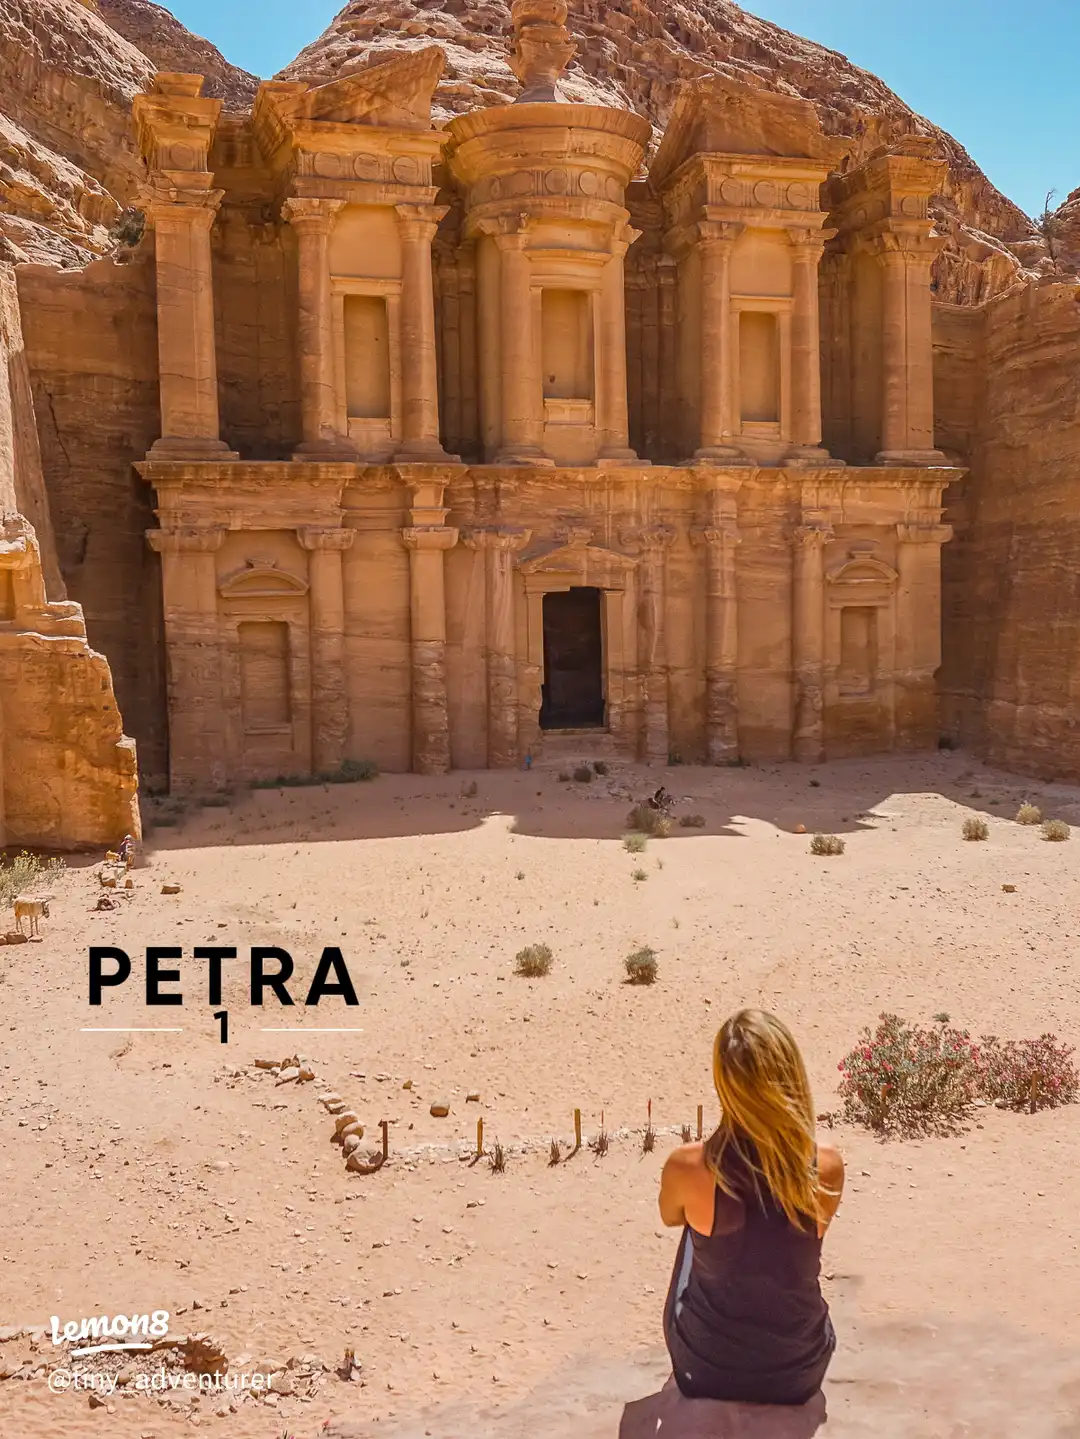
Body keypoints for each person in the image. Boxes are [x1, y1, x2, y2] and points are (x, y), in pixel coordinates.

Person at [658, 1009, 845, 1406]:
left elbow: (669, 1216)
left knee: (695, 1227)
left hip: (703, 1370)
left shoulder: (689, 1165)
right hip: (800, 1372)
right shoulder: (825, 1165)